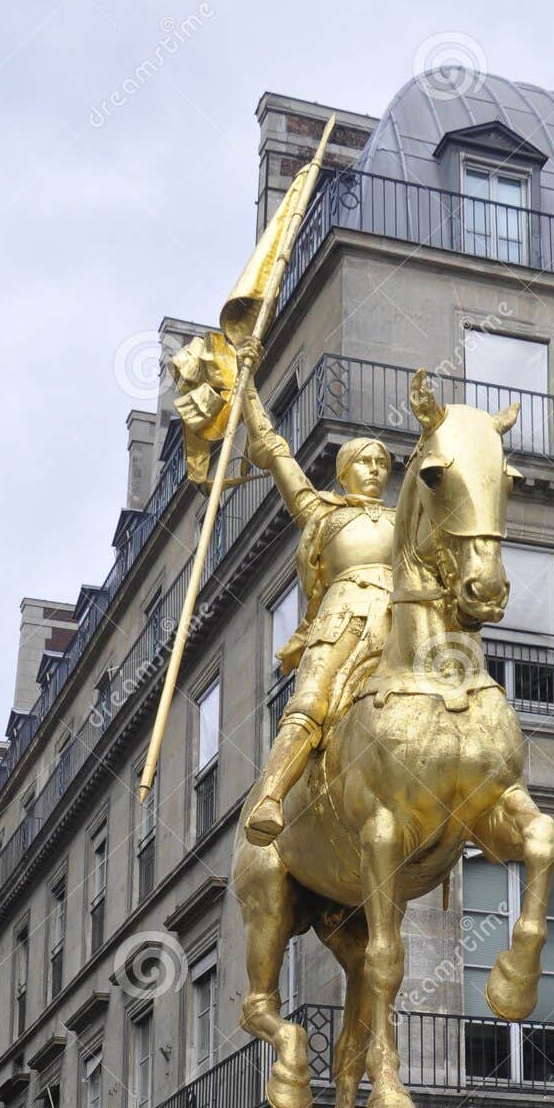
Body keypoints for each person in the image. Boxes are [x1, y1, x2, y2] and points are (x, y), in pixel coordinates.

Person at [239, 346, 396, 845]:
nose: (375, 469)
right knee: (311, 699)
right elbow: (274, 452)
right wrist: (246, 389)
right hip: (344, 617)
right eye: (364, 461)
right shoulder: (323, 513)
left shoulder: (404, 521)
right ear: (344, 470)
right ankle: (271, 795)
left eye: (382, 463)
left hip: (400, 618)